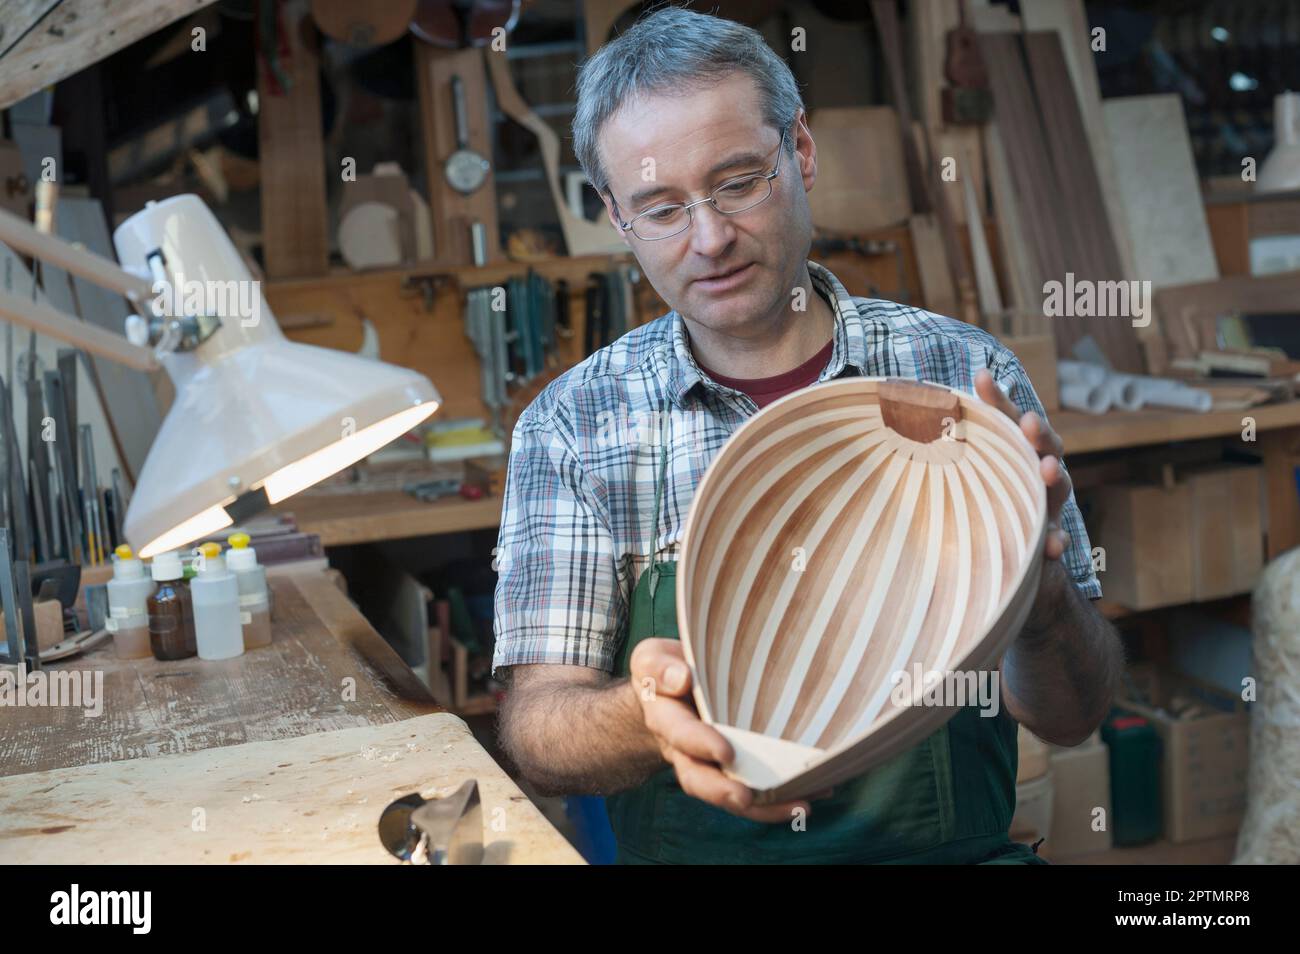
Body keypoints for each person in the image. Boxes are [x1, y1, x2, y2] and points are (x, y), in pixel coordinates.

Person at [491, 6, 1123, 864]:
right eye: (662, 208)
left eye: (740, 181)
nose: (710, 239)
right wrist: (648, 713)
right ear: (615, 215)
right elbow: (538, 731)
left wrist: (1039, 598)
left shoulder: (963, 376)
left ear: (802, 153)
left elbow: (1073, 715)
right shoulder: (574, 426)